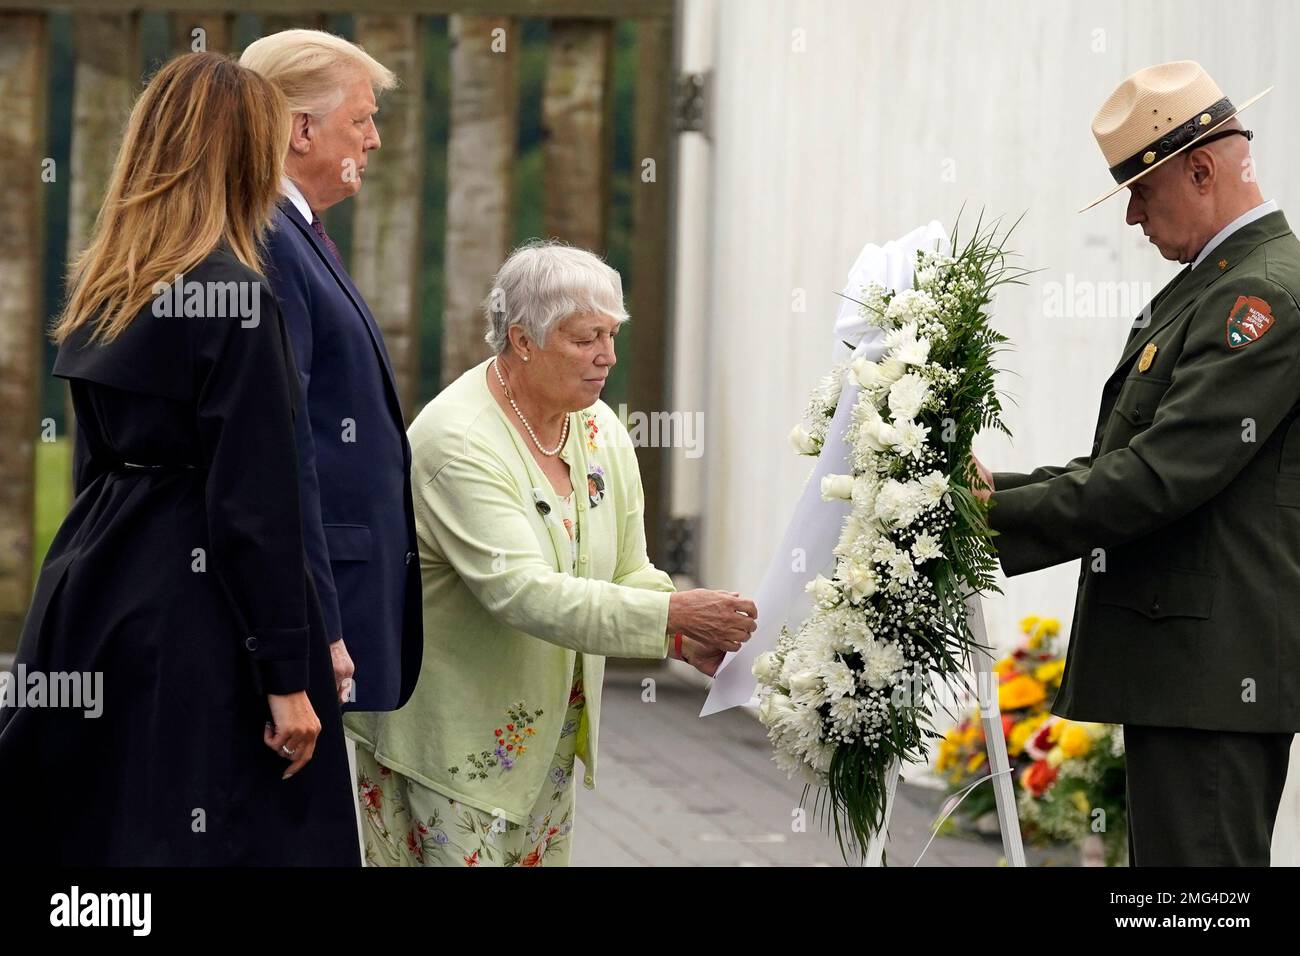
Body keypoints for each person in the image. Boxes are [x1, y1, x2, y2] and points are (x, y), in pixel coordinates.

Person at [0, 52, 358, 864]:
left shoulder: (107, 287)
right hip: (203, 618)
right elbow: (256, 503)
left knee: (105, 832)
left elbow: (98, 462)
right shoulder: (235, 292)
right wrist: (286, 677)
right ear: (242, 152)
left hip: (92, 592)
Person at [974, 60, 1297, 866]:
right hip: (1193, 672)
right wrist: (984, 494)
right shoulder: (1214, 285)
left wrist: (979, 516)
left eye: (1140, 192)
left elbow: (1158, 480)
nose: (1130, 218)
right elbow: (1123, 463)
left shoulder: (1258, 297)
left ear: (1200, 168)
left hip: (1213, 679)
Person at [345, 241, 757, 866]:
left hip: (546, 743)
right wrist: (673, 618)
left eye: (613, 336)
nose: (607, 358)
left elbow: (629, 570)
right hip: (452, 745)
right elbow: (522, 592)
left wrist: (676, 636)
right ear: (523, 339)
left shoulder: (595, 426)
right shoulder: (458, 441)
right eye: (587, 338)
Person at [240, 30, 422, 712]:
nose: (373, 140)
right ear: (302, 130)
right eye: (362, 118)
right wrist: (318, 622)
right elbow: (286, 448)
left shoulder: (298, 230)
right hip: (318, 602)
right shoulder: (271, 240)